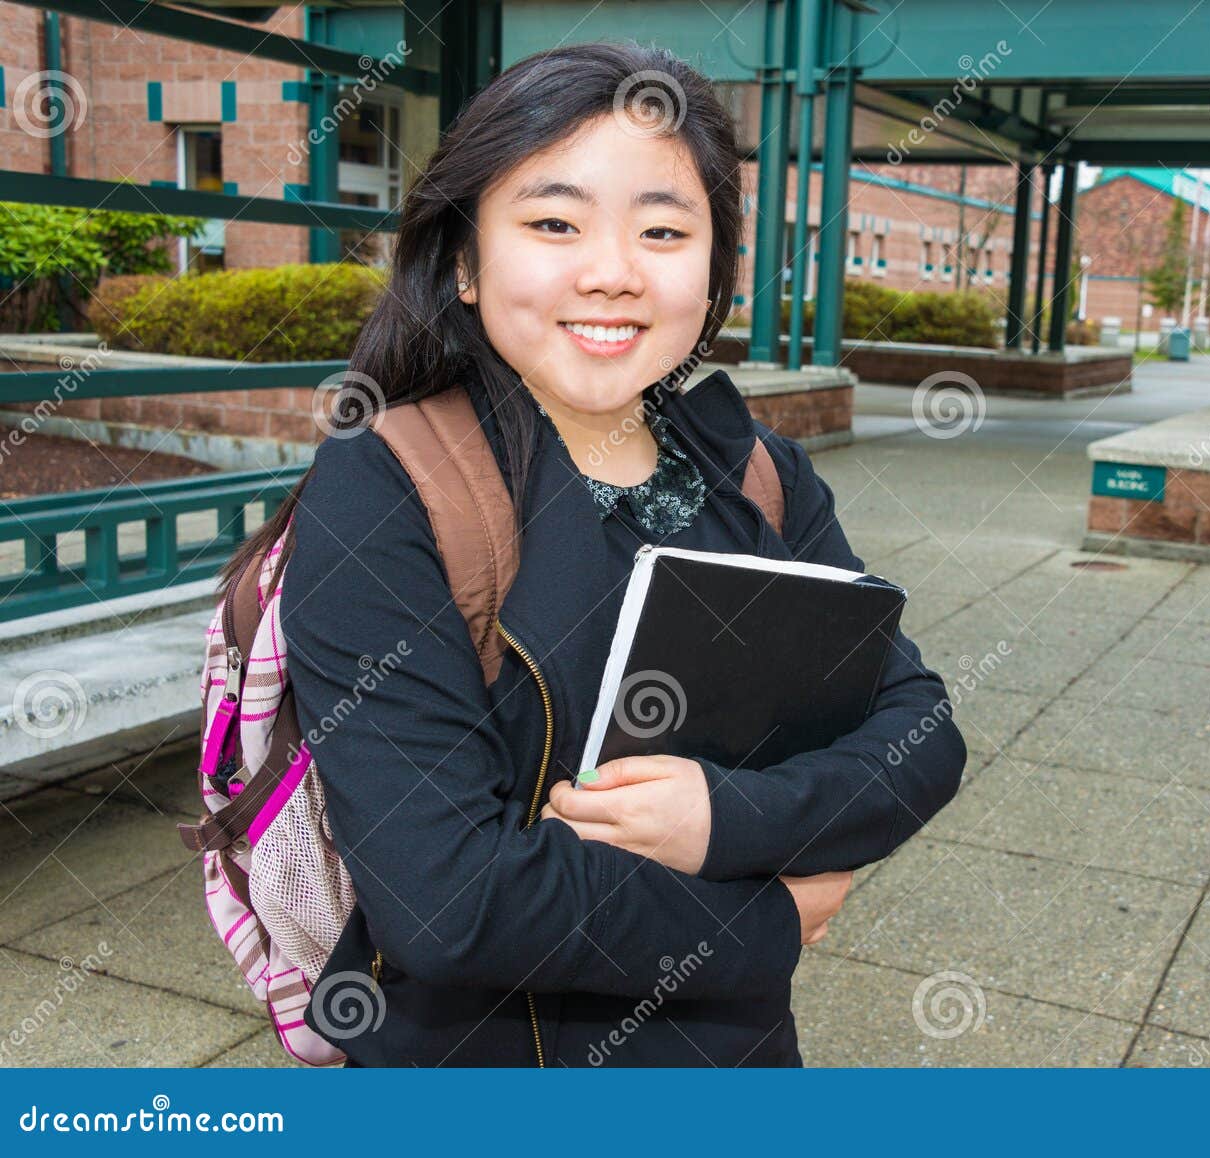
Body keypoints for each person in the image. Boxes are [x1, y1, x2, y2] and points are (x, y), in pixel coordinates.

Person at [234, 40, 966, 1067]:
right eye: (551, 223)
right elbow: (445, 898)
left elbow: (919, 735)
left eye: (664, 230)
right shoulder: (391, 484)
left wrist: (724, 815)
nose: (613, 272)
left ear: (713, 267)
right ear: (463, 261)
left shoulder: (757, 475)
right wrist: (767, 921)